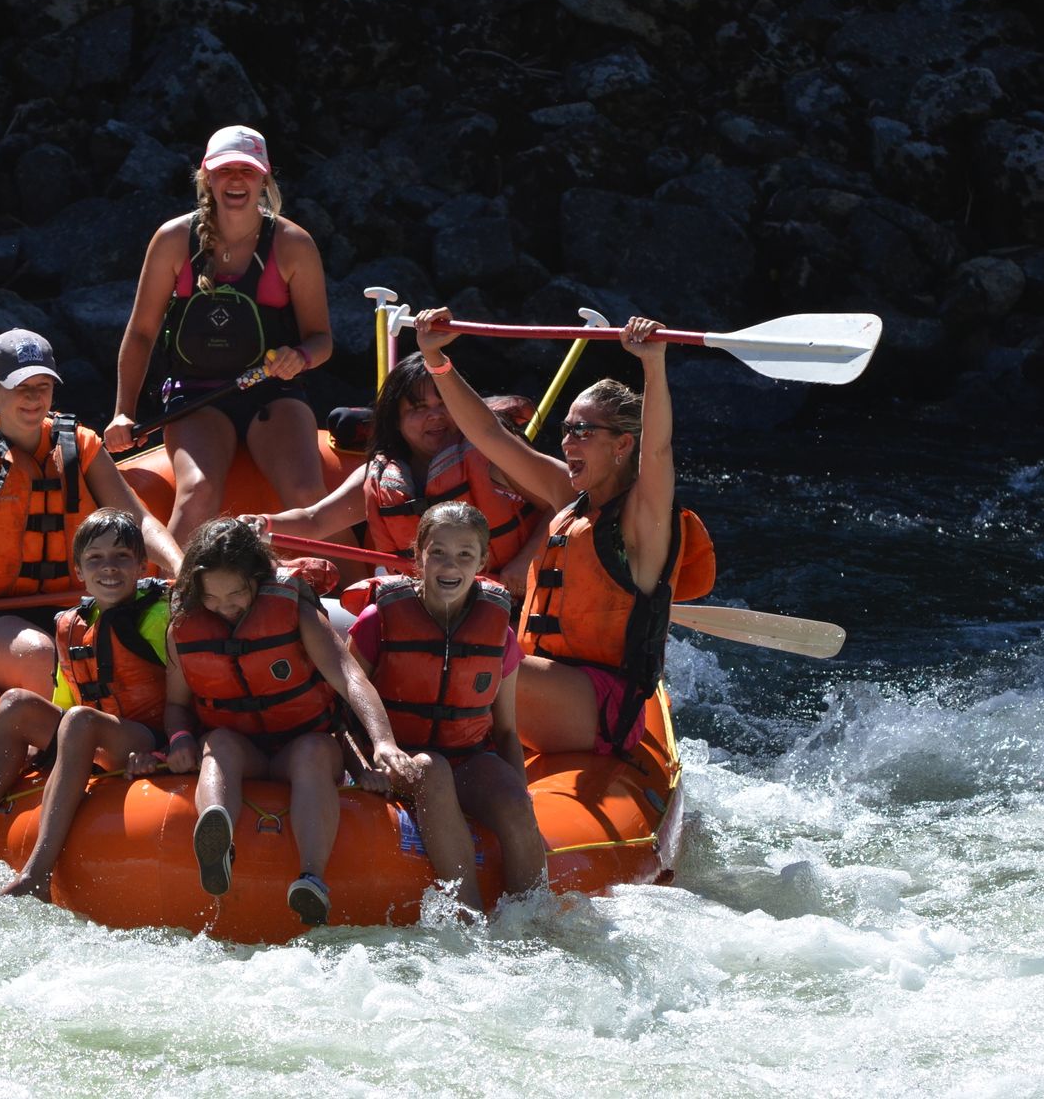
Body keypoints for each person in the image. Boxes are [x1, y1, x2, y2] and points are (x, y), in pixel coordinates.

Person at [409, 307, 713, 756]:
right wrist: (436, 359)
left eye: (584, 431)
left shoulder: (643, 521)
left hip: (601, 708)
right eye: (567, 429)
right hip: (544, 685)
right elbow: (489, 435)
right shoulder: (566, 497)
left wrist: (653, 362)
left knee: (462, 647)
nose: (568, 441)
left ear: (623, 445)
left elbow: (660, 448)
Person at [134, 517, 415, 926]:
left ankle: (312, 878)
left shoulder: (292, 609)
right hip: (242, 749)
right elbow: (177, 705)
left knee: (316, 750)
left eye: (236, 595)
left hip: (302, 744)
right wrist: (179, 739)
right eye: (212, 598)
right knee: (217, 743)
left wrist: (383, 741)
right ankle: (218, 837)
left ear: (258, 580)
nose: (225, 607)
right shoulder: (184, 627)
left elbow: (349, 676)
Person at [0, 328, 180, 695]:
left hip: (76, 605)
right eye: (20, 385)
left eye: (43, 384)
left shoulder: (81, 446)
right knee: (44, 655)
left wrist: (180, 565)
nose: (33, 396)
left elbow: (140, 522)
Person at [103, 126, 333, 542]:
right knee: (198, 492)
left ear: (265, 179)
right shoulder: (173, 240)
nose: (237, 180)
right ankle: (164, 600)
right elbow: (141, 333)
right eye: (226, 170)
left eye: (248, 171)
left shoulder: (293, 244)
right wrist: (124, 411)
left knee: (305, 495)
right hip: (197, 396)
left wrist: (300, 356)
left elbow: (321, 340)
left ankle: (361, 598)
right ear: (207, 176)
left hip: (273, 394)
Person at [0, 511, 171, 893]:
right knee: (15, 704)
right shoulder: (72, 624)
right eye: (95, 559)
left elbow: (192, 694)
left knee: (80, 721)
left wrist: (176, 748)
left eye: (121, 557)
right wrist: (34, 748)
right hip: (91, 734)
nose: (108, 568)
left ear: (143, 565)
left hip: (146, 740)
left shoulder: (162, 618)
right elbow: (65, 700)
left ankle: (37, 875)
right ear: (78, 570)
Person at [342, 502, 547, 913]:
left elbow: (506, 731)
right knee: (432, 769)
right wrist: (363, 766)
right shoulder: (375, 620)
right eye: (437, 552)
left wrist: (520, 796)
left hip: (468, 760)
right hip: (397, 762)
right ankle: (469, 918)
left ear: (483, 561)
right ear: (418, 555)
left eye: (464, 555)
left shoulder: (499, 634)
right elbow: (340, 711)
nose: (449, 566)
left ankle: (534, 921)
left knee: (510, 797)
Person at [251, 353, 550, 596]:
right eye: (418, 408)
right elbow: (315, 521)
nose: (435, 415)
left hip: (511, 599)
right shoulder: (380, 475)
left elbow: (563, 502)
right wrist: (260, 524)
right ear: (396, 421)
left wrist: (527, 561)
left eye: (444, 403)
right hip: (431, 607)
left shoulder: (493, 455)